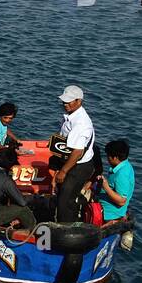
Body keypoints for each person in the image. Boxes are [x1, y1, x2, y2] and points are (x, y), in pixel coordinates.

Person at [53, 84, 96, 224]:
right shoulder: (70, 116)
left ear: (79, 101)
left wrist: (63, 171)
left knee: (65, 200)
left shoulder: (81, 123)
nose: (65, 104)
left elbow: (77, 152)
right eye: (64, 101)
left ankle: (67, 229)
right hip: (69, 161)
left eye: (69, 101)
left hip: (79, 166)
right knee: (63, 195)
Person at [97, 138, 134, 221]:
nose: (107, 158)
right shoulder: (126, 165)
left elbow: (121, 201)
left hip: (109, 214)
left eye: (108, 156)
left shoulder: (121, 175)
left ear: (116, 158)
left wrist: (105, 187)